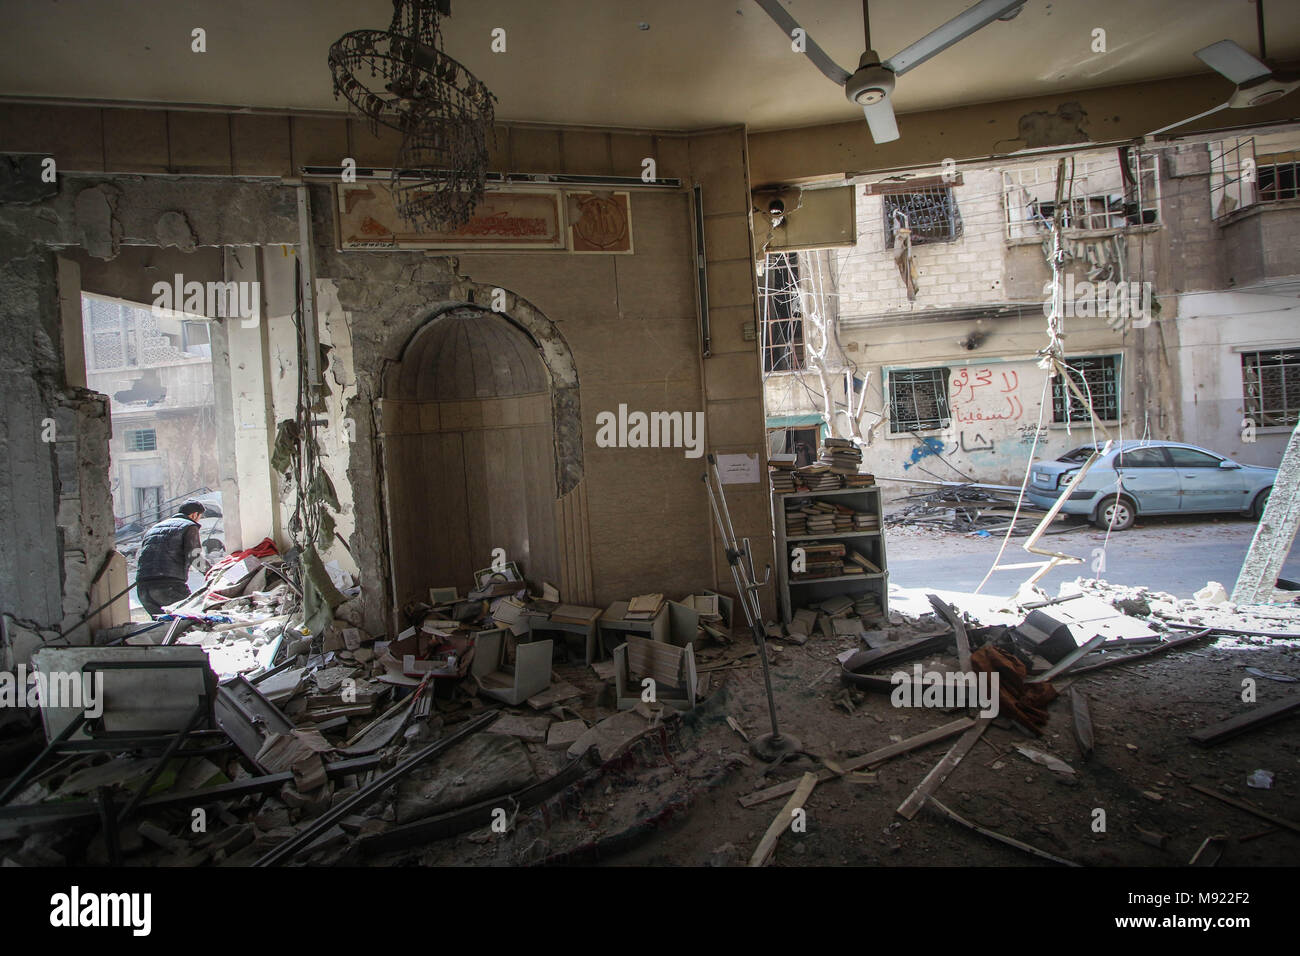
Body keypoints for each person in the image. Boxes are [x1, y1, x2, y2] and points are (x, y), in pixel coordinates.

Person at [135, 501, 205, 618]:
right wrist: (212, 573)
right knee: (190, 621)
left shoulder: (153, 529)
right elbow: (194, 556)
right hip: (169, 587)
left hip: (143, 589)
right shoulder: (189, 526)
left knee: (163, 628)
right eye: (199, 517)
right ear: (194, 515)